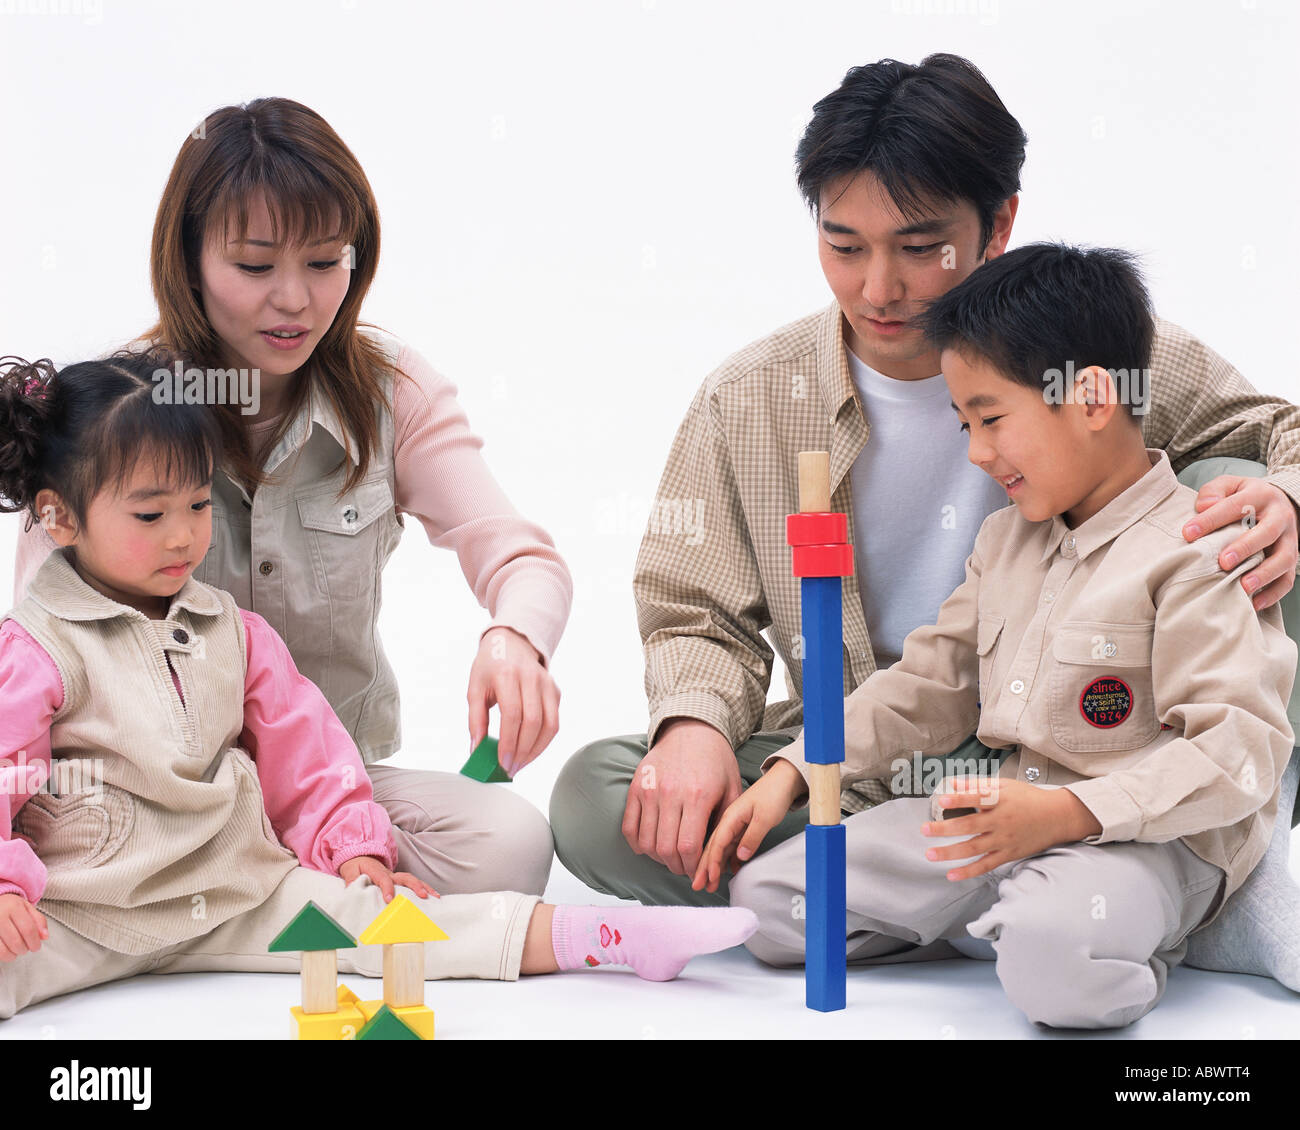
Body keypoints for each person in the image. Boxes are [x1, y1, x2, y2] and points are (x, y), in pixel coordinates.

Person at [549, 53, 1300, 992]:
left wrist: (1289, 496)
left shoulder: (1085, 346)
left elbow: (1278, 427)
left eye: (919, 247)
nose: (879, 289)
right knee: (598, 798)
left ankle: (1205, 847)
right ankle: (1031, 901)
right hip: (896, 737)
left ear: (1000, 225)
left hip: (1109, 731)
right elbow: (699, 607)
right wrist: (699, 728)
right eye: (844, 244)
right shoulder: (749, 398)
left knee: (1238, 491)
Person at [0, 352, 757, 1019]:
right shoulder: (37, 647)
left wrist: (352, 846)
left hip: (238, 893)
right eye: (149, 513)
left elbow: (309, 751)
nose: (182, 535)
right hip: (85, 913)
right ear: (58, 518)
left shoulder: (232, 630)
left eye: (199, 504)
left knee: (393, 921)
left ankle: (606, 936)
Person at [695, 243, 1294, 1029]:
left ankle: (1138, 929)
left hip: (1141, 838)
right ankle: (1017, 924)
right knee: (772, 908)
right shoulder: (1007, 541)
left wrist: (1069, 816)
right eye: (963, 423)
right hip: (1007, 814)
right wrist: (798, 767)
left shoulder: (1196, 548)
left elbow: (1237, 750)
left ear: (1090, 400)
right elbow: (927, 683)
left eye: (991, 420)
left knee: (1059, 974)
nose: (977, 453)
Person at [14, 97, 568, 898]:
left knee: (507, 843)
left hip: (328, 792)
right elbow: (41, 639)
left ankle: (259, 890)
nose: (295, 300)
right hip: (147, 804)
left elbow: (519, 554)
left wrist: (516, 640)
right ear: (189, 257)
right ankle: (257, 894)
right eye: (254, 265)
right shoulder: (116, 412)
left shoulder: (392, 392)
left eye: (323, 261)